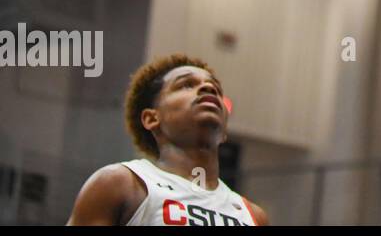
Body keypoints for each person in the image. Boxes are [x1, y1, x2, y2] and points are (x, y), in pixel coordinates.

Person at [67, 54, 268, 226]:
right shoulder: (121, 183)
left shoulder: (253, 216)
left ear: (224, 131)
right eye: (186, 85)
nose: (208, 88)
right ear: (152, 118)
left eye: (215, 87)